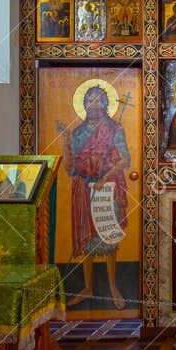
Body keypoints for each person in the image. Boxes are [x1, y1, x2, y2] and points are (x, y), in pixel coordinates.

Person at [62, 84, 130, 308]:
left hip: (106, 189)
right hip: (82, 189)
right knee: (86, 238)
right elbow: (69, 169)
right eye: (90, 100)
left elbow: (124, 160)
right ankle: (88, 287)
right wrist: (65, 140)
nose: (95, 104)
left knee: (107, 237)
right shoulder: (79, 133)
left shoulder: (114, 129)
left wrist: (105, 176)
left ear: (105, 104)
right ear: (84, 104)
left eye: (99, 100)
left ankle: (113, 287)